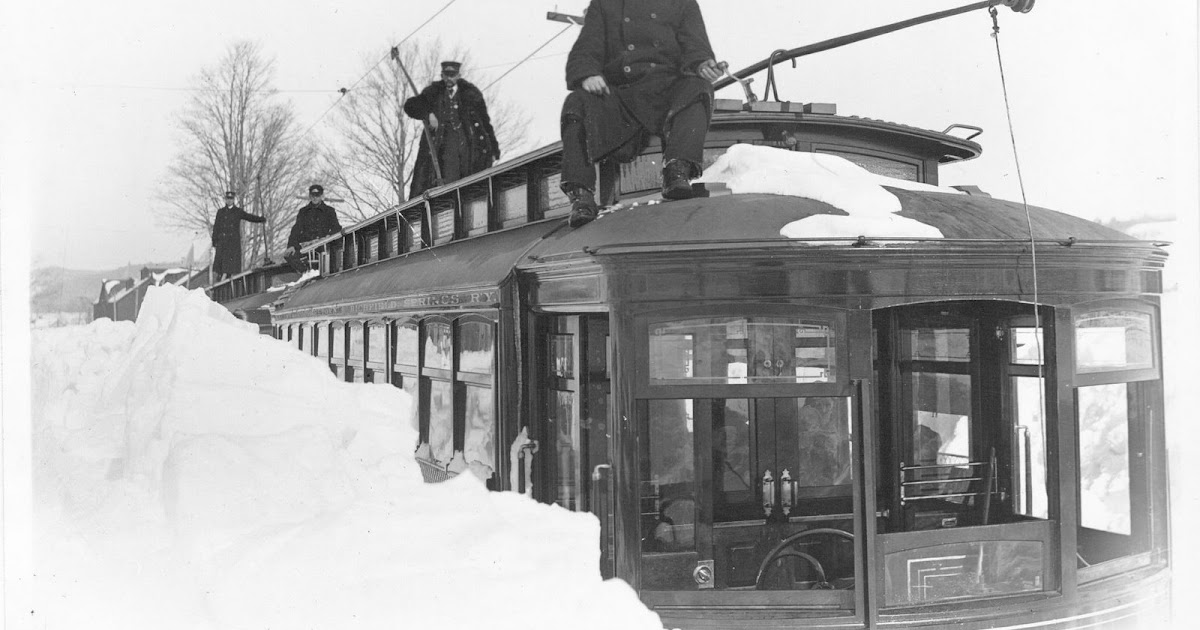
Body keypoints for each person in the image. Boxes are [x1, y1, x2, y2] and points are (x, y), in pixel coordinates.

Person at [559, 0, 727, 227]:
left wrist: (702, 65)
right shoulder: (604, 4)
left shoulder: (683, 3)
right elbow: (586, 49)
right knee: (576, 103)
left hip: (666, 91)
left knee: (698, 88)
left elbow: (696, 48)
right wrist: (587, 75)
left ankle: (676, 171)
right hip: (620, 95)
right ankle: (582, 196)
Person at [403, 61, 501, 198]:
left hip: (468, 147)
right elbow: (411, 106)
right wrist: (429, 114)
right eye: (446, 75)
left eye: (453, 75)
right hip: (443, 148)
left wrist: (494, 149)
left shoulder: (471, 94)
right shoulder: (433, 93)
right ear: (442, 75)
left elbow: (485, 122)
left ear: (458, 76)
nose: (449, 78)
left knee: (470, 183)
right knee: (447, 183)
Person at [284, 184, 343, 273]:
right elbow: (296, 229)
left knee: (332, 253)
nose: (315, 198)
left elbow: (336, 227)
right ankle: (306, 273)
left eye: (317, 196)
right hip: (306, 245)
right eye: (312, 196)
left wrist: (328, 237)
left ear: (322, 196)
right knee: (289, 255)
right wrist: (291, 245)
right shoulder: (303, 211)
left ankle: (328, 272)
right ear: (309, 196)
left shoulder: (329, 211)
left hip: (323, 244)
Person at [211, 191, 266, 281]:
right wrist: (214, 241)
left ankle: (229, 278)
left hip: (232, 243)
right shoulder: (220, 212)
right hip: (222, 242)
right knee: (221, 266)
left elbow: (249, 217)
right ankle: (221, 278)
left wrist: (260, 219)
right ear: (225, 199)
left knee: (231, 266)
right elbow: (216, 227)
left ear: (233, 200)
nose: (229, 201)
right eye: (228, 199)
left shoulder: (237, 212)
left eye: (231, 199)